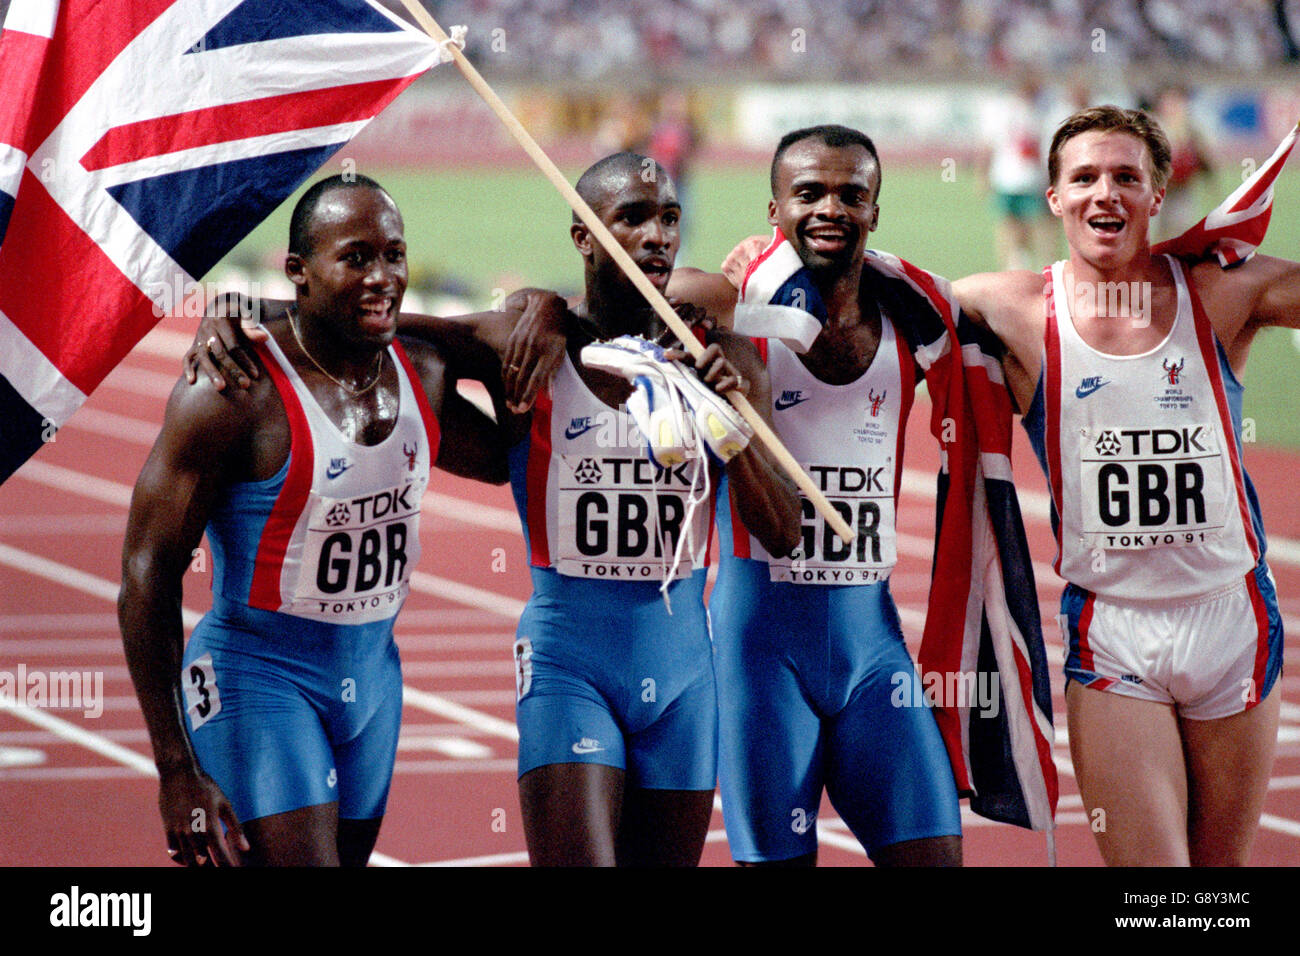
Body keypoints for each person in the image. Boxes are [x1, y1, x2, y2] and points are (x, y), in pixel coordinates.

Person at [187, 153, 801, 867]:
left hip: (687, 674)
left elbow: (783, 531)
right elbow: (387, 324)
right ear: (584, 236)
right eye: (631, 218)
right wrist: (245, 309)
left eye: (668, 218)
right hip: (570, 664)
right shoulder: (527, 342)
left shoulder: (721, 360)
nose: (657, 235)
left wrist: (735, 421)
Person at [119, 174, 521, 866]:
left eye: (394, 256)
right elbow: (145, 575)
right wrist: (175, 766)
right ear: (299, 273)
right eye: (356, 258)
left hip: (373, 683)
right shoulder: (232, 396)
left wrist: (540, 312)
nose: (383, 276)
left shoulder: (418, 373)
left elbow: (507, 450)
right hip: (257, 679)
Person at [950, 105, 1288, 866]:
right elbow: (875, 301)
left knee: (1217, 882)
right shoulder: (1012, 307)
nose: (1106, 193)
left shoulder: (1219, 295)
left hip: (1232, 620)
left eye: (1126, 177)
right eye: (1085, 178)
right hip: (1116, 633)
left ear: (1158, 194)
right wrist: (761, 265)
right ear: (1055, 199)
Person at [670, 125, 965, 866]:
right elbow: (625, 297)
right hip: (759, 649)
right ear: (774, 209)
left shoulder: (917, 319)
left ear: (875, 211)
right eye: (808, 194)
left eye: (850, 194)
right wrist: (546, 310)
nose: (830, 208)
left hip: (872, 641)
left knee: (936, 853)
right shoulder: (731, 309)